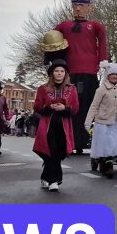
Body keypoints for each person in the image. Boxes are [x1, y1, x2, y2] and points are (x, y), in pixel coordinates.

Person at [55, 0, 108, 155]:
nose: (77, 8)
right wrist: (54, 64)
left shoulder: (96, 26)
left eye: (81, 5)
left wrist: (103, 63)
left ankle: (86, 140)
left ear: (88, 7)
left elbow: (103, 45)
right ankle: (68, 141)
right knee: (69, 107)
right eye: (75, 5)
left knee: (88, 107)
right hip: (69, 73)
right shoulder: (63, 26)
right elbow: (52, 43)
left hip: (89, 72)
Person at [33, 59, 78, 191]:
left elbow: (75, 108)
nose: (59, 73)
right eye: (56, 71)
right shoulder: (42, 88)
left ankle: (45, 176)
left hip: (64, 125)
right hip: (48, 125)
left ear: (66, 74)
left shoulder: (72, 89)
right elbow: (37, 106)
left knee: (59, 152)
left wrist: (64, 107)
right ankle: (54, 181)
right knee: (50, 150)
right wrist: (48, 106)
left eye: (62, 71)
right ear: (52, 73)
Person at [85, 61, 117, 178]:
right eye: (112, 74)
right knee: (106, 145)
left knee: (116, 144)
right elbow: (94, 106)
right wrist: (88, 122)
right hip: (104, 121)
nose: (114, 76)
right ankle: (106, 166)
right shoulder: (101, 89)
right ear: (107, 75)